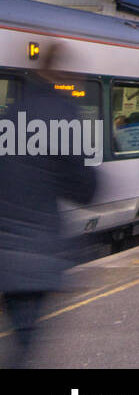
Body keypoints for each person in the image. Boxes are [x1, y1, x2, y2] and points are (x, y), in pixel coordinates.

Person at [0, 44, 98, 368]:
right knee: (25, 345)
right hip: (34, 257)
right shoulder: (62, 116)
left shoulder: (9, 114)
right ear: (63, 76)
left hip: (5, 252)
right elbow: (84, 189)